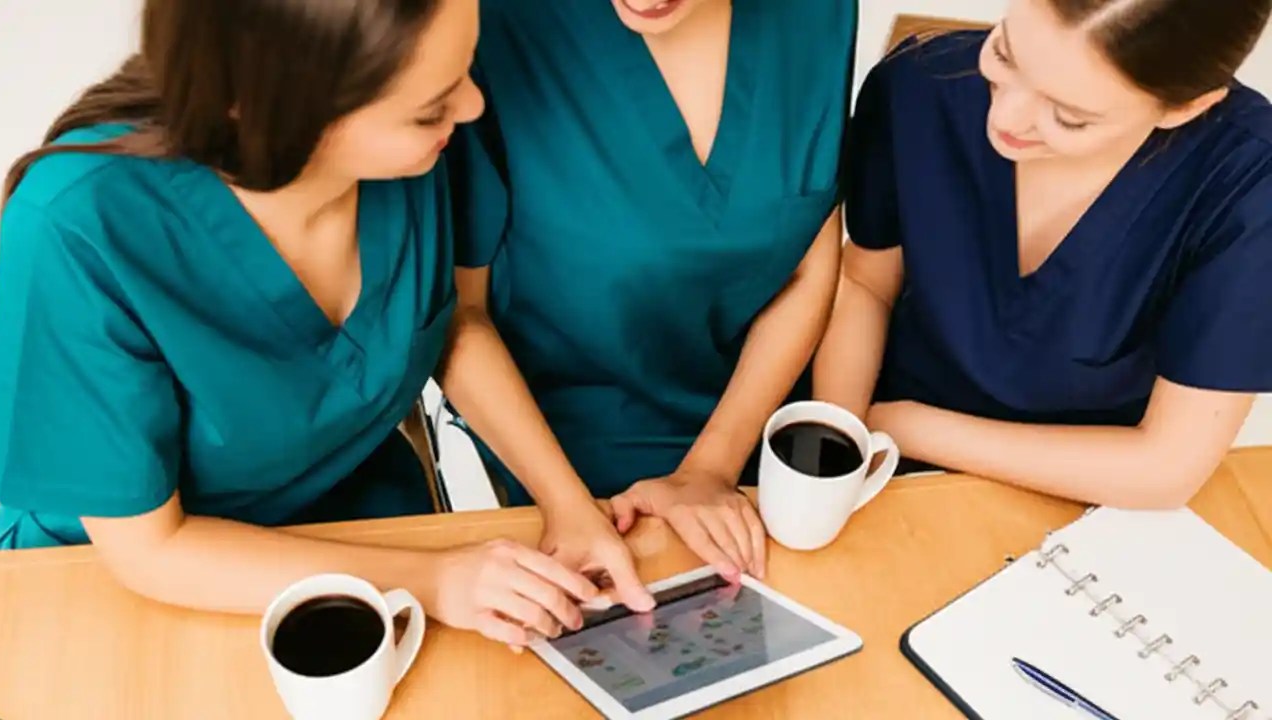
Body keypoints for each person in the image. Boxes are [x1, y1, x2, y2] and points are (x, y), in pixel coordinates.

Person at [0, 0, 605, 648]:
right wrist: (435, 581)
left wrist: (567, 504)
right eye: (431, 104)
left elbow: (451, 325)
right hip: (116, 583)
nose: (475, 106)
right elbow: (149, 551)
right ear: (291, 114)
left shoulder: (419, 149)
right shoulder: (79, 225)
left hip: (360, 528)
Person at [441, 0, 855, 592]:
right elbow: (459, 316)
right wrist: (568, 504)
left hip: (768, 430)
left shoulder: (818, 17)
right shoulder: (489, 26)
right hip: (575, 462)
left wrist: (712, 466)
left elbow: (807, 271)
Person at [815, 0, 1272, 508]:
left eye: (1069, 118)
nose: (1004, 117)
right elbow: (864, 282)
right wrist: (839, 436)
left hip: (1073, 495)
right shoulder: (921, 86)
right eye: (1005, 55)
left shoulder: (1248, 186)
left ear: (1185, 107)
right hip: (877, 451)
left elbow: (1165, 468)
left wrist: (902, 425)